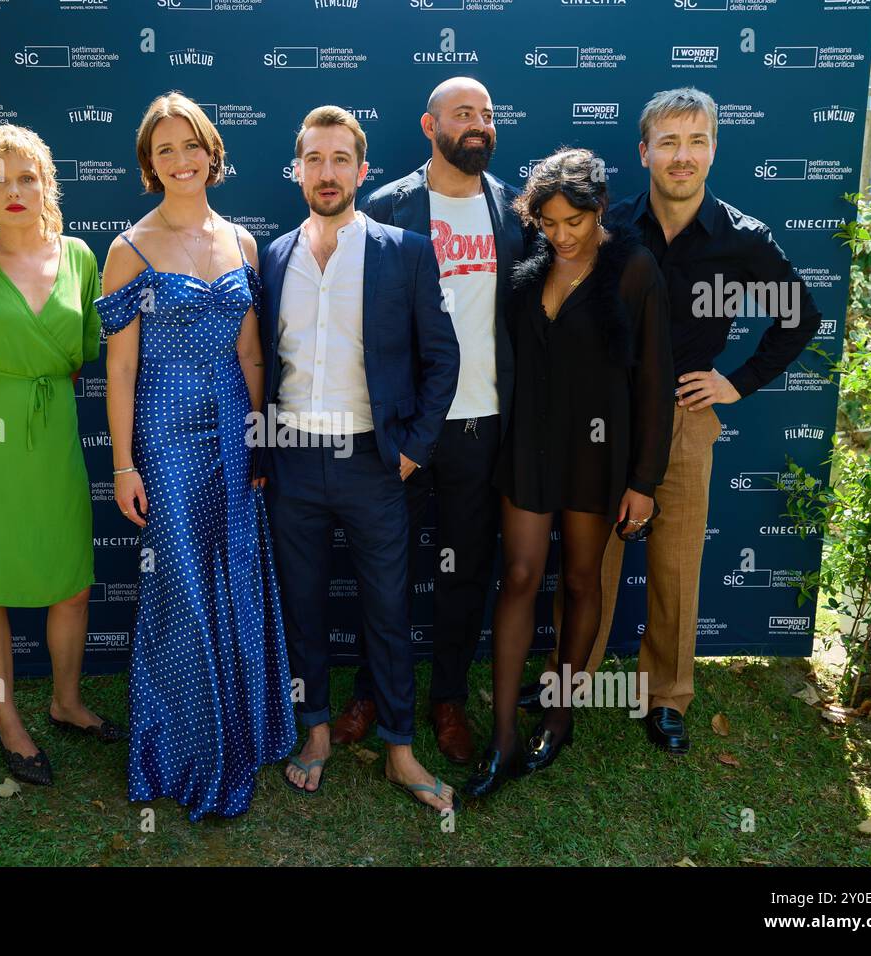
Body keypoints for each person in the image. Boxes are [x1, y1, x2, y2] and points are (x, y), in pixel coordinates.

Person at [521, 88, 823, 756]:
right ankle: (568, 682)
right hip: (604, 420)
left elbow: (800, 316)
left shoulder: (743, 239)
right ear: (645, 152)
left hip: (685, 418)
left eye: (696, 141)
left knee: (676, 565)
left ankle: (666, 697)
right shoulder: (613, 228)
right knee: (587, 563)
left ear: (713, 149)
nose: (682, 156)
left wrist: (736, 382)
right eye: (669, 142)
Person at [96, 92, 295, 822]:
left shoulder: (242, 243)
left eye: (192, 146)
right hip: (166, 430)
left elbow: (251, 354)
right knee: (180, 579)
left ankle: (245, 726)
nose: (181, 160)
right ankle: (186, 749)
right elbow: (120, 367)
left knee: (235, 568)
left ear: (212, 153)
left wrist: (259, 434)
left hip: (234, 427)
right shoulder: (129, 249)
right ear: (149, 165)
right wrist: (123, 464)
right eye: (165, 150)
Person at [260, 105, 462, 814]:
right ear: (297, 170)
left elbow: (443, 359)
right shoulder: (272, 257)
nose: (327, 172)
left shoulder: (405, 252)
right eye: (315, 159)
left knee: (387, 609)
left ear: (362, 170)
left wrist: (413, 451)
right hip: (293, 461)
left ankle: (401, 751)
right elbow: (264, 363)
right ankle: (314, 732)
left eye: (340, 159)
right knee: (302, 606)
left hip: (376, 463)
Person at [467, 148, 673, 798]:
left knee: (582, 580)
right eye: (548, 223)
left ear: (599, 210)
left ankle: (560, 716)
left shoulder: (634, 270)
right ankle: (503, 736)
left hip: (598, 451)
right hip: (530, 443)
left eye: (573, 222)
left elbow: (655, 385)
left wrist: (644, 481)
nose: (560, 235)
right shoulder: (531, 265)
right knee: (520, 576)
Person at [0, 124, 125, 789]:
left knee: (71, 581)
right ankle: (8, 722)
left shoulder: (80, 257)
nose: (14, 190)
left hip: (53, 437)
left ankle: (66, 702)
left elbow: (78, 357)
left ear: (47, 185)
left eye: (27, 177)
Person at [349, 76, 530, 766]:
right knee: (383, 568)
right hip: (403, 427)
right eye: (463, 114)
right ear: (430, 127)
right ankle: (372, 689)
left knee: (465, 570)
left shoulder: (513, 209)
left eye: (486, 113)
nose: (479, 123)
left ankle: (448, 697)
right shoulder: (387, 207)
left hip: (482, 426)